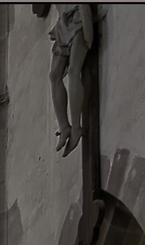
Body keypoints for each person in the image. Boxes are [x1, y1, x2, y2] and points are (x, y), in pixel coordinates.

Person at [47, 3, 94, 154]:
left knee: (74, 70)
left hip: (79, 16)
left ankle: (76, 127)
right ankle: (64, 126)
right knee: (54, 76)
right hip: (63, 23)